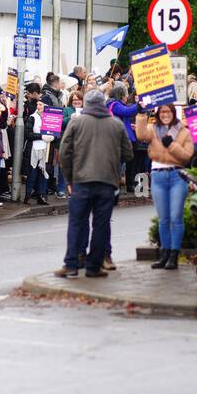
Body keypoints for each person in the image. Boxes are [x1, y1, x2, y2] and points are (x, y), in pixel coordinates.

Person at [57, 89, 132, 278]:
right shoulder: (116, 125)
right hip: (107, 182)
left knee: (76, 222)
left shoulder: (76, 122)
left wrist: (69, 179)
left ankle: (72, 264)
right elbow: (128, 153)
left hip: (81, 181)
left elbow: (65, 153)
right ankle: (94, 267)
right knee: (101, 225)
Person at [138, 102, 194, 270]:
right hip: (158, 175)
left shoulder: (184, 131)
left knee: (176, 217)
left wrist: (172, 145)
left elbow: (187, 156)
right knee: (164, 218)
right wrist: (141, 114)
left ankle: (174, 255)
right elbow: (140, 135)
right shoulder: (152, 129)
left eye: (168, 111)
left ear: (173, 113)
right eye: (162, 112)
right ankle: (165, 253)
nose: (165, 115)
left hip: (177, 175)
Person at [106, 84, 142, 192]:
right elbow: (127, 112)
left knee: (128, 162)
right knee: (120, 163)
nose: (127, 97)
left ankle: (129, 185)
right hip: (120, 138)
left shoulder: (113, 104)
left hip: (124, 137)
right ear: (121, 95)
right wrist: (139, 105)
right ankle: (116, 186)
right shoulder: (114, 104)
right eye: (126, 95)